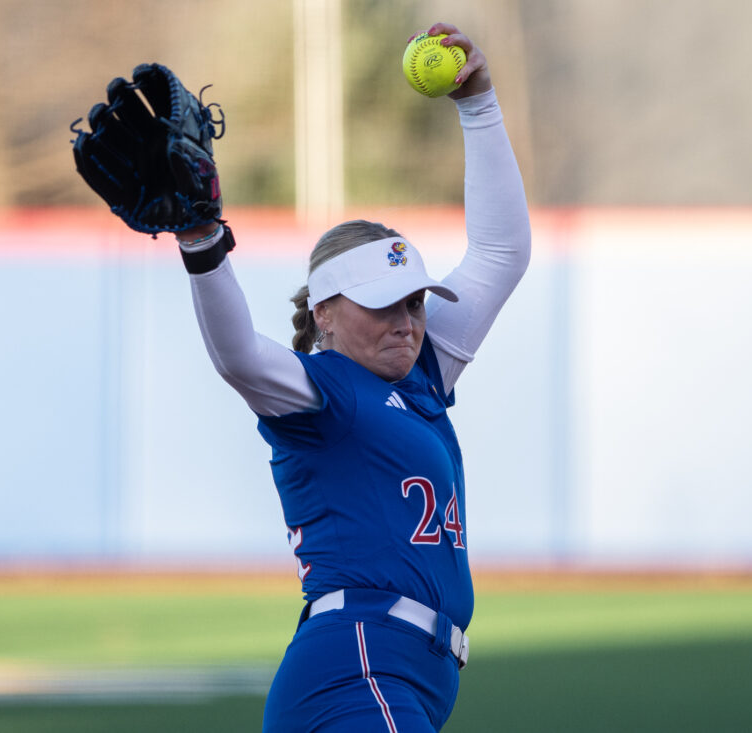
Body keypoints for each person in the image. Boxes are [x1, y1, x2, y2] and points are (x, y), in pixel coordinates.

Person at [175, 22, 530, 733]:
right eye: (382, 305)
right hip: (358, 664)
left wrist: (479, 104)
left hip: (406, 673)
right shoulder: (322, 392)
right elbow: (240, 355)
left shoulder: (422, 373)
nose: (406, 319)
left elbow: (502, 252)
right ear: (328, 312)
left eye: (414, 301)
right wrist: (201, 241)